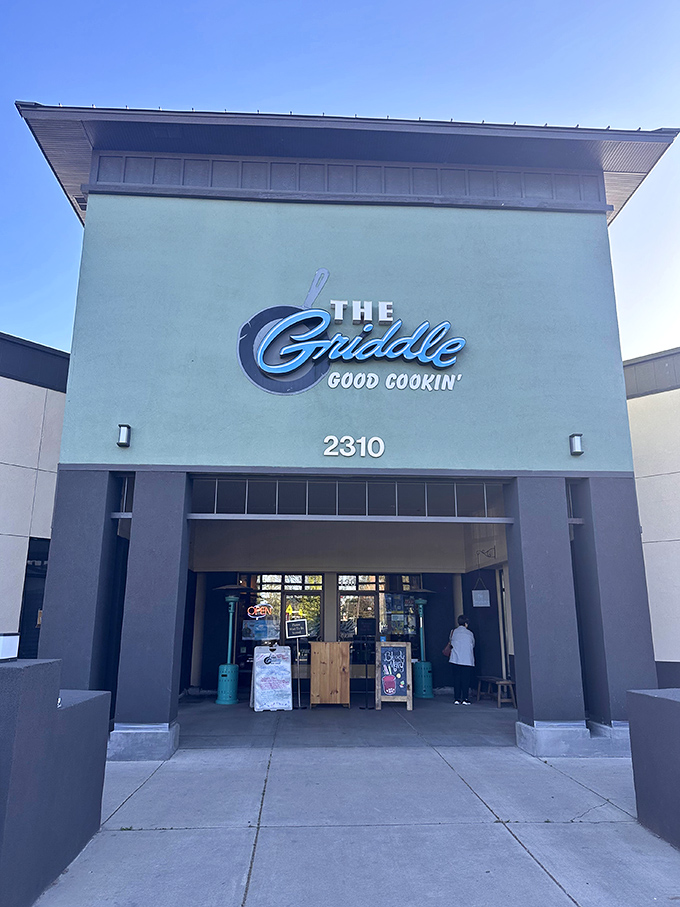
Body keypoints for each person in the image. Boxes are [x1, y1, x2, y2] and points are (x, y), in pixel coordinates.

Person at [449, 615, 475, 705]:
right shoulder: (470, 633)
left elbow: (451, 641)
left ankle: (457, 698)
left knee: (456, 679)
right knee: (465, 680)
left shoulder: (453, 632)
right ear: (466, 624)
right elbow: (473, 644)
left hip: (455, 659)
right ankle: (465, 698)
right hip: (467, 659)